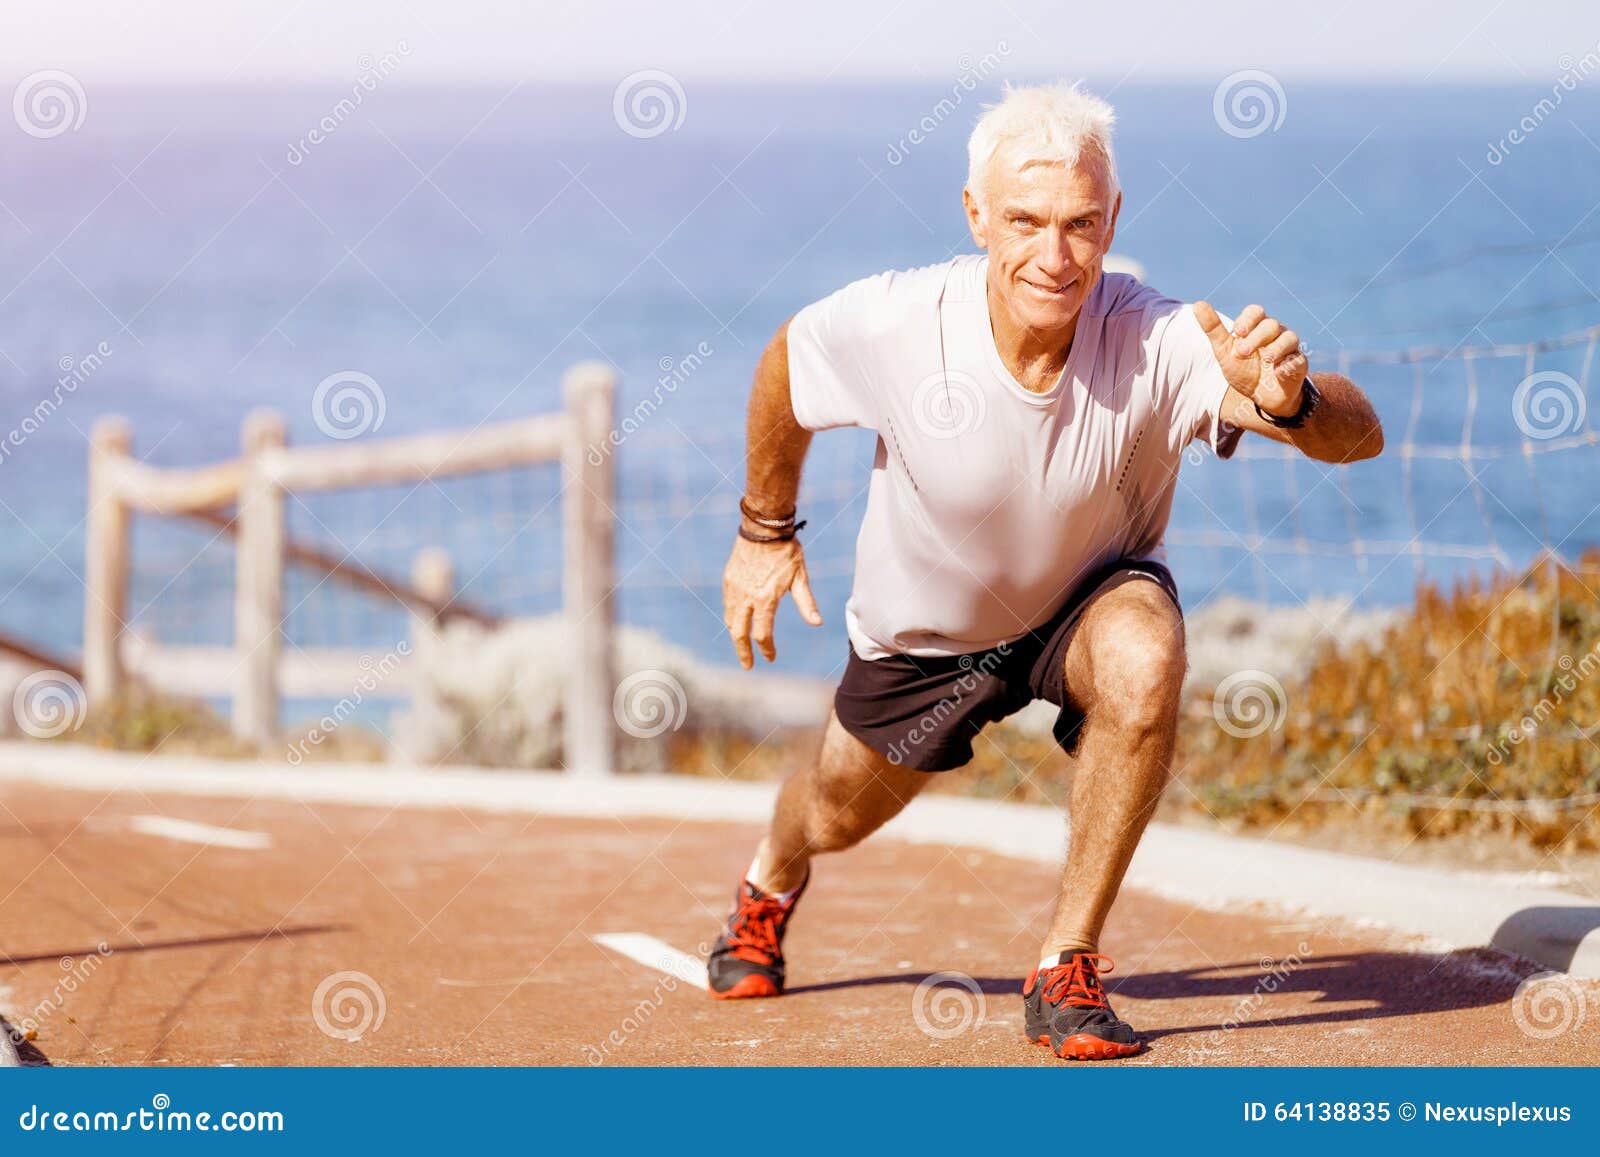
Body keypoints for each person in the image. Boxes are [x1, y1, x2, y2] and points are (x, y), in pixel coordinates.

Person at [706, 81, 1384, 1060]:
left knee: (1145, 654)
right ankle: (770, 876)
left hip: (1085, 599)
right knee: (830, 810)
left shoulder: (1163, 337)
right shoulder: (897, 322)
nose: (1052, 255)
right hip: (926, 637)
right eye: (1023, 220)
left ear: (1112, 220)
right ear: (976, 214)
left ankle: (1066, 961)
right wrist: (765, 531)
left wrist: (1295, 399)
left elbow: (1353, 438)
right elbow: (784, 367)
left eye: (1077, 224)